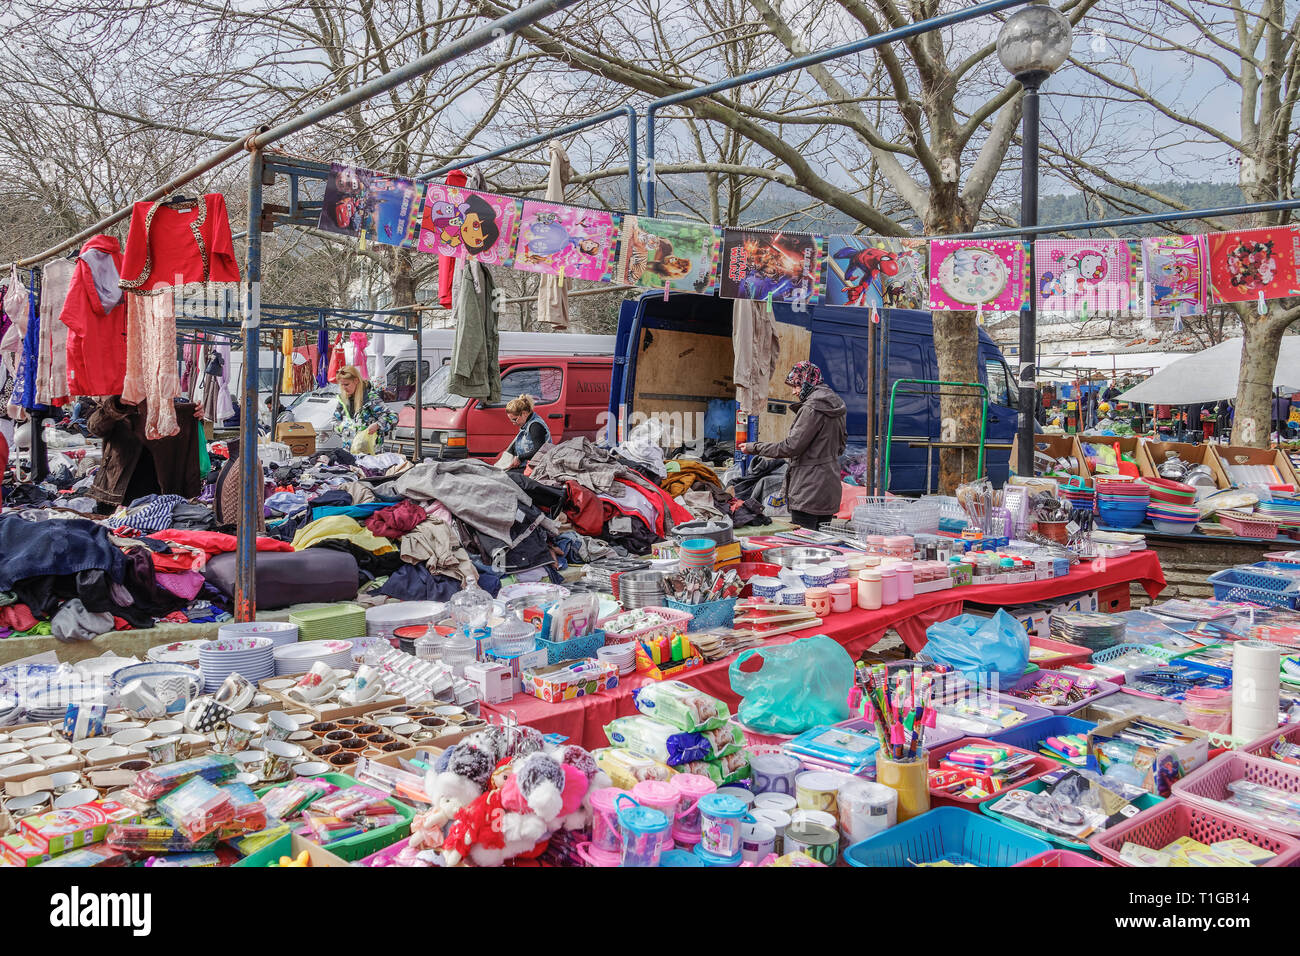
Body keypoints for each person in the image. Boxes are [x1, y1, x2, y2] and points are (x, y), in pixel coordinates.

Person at [738, 361, 846, 529]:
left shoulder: (811, 408)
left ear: (807, 382)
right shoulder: (837, 405)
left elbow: (790, 447)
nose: (794, 391)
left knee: (803, 544)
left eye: (796, 385)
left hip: (808, 489)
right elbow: (841, 445)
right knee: (821, 544)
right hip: (829, 487)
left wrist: (754, 447)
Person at [333, 365, 397, 452]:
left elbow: (393, 417)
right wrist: (343, 428)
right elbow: (335, 420)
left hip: (370, 453)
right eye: (342, 384)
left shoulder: (371, 398)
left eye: (347, 384)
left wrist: (378, 425)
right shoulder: (343, 400)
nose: (344, 388)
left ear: (356, 381)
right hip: (349, 452)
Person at [499, 394, 551, 469]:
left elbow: (539, 451)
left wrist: (520, 458)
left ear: (524, 413)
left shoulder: (535, 426)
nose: (513, 424)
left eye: (514, 419)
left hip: (535, 468)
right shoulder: (526, 425)